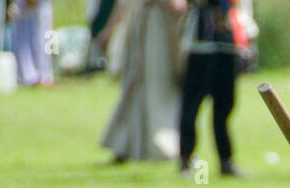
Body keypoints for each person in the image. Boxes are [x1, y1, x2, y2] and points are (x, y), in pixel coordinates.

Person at [99, 0, 185, 163]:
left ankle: (146, 142)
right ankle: (135, 143)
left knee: (157, 87)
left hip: (160, 24)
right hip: (151, 25)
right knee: (143, 85)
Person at [177, 0, 245, 177]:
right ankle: (186, 159)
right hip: (202, 41)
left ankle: (226, 160)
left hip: (226, 41)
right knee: (191, 106)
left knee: (224, 107)